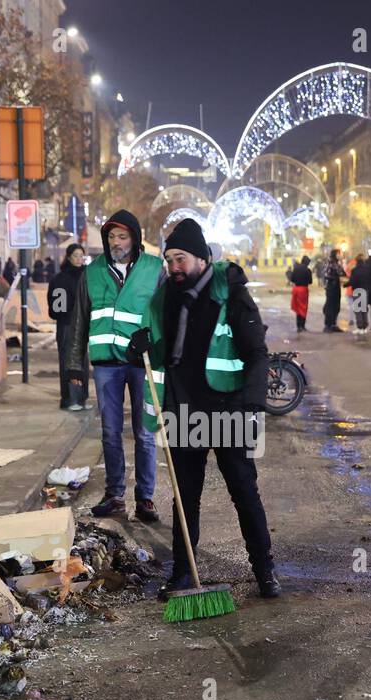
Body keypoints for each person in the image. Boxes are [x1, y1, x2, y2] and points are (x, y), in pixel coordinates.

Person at [126, 217, 279, 598]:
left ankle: (264, 570)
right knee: (185, 497)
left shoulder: (230, 293)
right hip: (184, 410)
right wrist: (141, 346)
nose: (175, 268)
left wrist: (252, 404)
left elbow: (257, 353)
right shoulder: (165, 299)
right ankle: (182, 571)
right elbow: (161, 354)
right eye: (170, 260)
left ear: (202, 258)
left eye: (181, 259)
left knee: (244, 492)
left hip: (229, 408)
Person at [65, 209, 164, 522]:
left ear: (134, 238)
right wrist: (74, 365)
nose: (116, 242)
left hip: (141, 363)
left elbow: (165, 315)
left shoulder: (153, 268)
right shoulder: (92, 271)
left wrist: (156, 343)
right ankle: (114, 495)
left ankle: (146, 498)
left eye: (122, 236)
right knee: (110, 432)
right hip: (106, 362)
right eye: (111, 237)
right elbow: (79, 319)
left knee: (145, 432)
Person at [49, 243, 89, 410]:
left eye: (81, 256)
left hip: (83, 325)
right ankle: (70, 399)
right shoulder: (62, 279)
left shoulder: (86, 276)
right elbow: (57, 308)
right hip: (67, 325)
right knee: (68, 361)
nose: (79, 259)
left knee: (83, 361)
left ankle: (81, 398)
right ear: (68, 257)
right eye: (76, 256)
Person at [322, 249, 345, 332]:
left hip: (336, 287)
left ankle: (333, 324)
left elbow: (343, 273)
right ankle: (327, 325)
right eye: (340, 254)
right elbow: (327, 275)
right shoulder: (330, 263)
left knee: (336, 306)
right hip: (331, 287)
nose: (341, 255)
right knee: (330, 306)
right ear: (336, 254)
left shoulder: (337, 263)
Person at [288, 254, 312, 332]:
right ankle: (302, 326)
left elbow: (292, 279)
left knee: (298, 308)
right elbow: (310, 281)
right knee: (303, 308)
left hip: (296, 289)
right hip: (303, 290)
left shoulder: (296, 269)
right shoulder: (308, 270)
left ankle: (298, 326)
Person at [346, 253, 369, 336]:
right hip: (365, 290)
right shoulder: (367, 269)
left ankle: (360, 328)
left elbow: (352, 281)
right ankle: (365, 327)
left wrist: (345, 285)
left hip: (357, 290)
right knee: (364, 309)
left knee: (358, 310)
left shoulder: (354, 270)